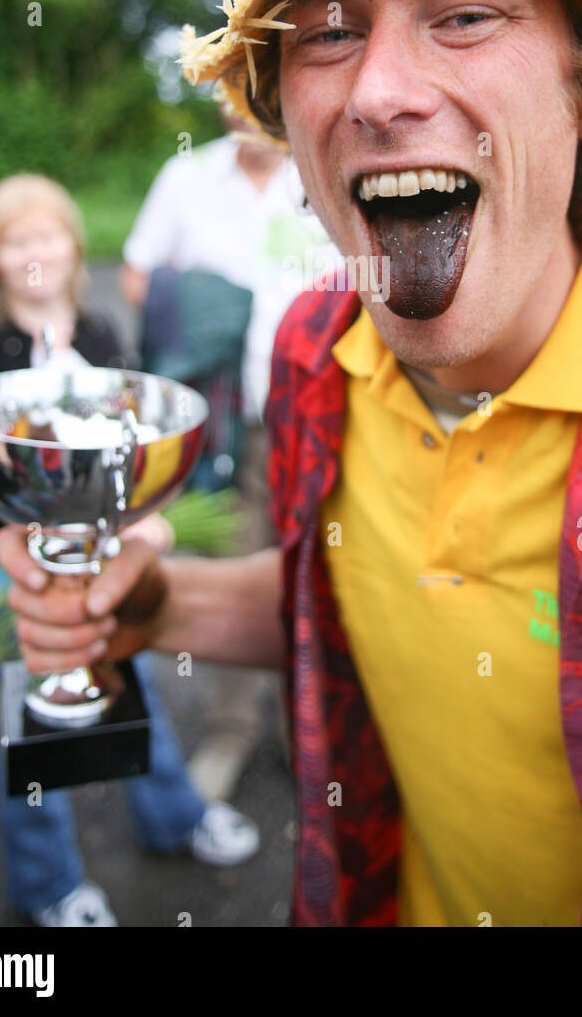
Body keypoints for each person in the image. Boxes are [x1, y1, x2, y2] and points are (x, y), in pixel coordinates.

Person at [0, 0, 582, 928]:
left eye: (462, 15)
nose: (378, 89)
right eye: (323, 33)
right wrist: (156, 603)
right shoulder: (315, 350)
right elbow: (360, 600)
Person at [0, 174, 259, 928]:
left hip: (102, 548)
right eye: (17, 239)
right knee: (35, 712)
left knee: (128, 677)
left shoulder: (99, 331)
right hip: (3, 557)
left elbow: (132, 445)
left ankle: (175, 817)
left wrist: (137, 527)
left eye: (47, 234)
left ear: (73, 247)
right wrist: (23, 549)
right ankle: (48, 883)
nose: (34, 251)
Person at [120, 110, 339, 799]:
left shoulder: (325, 170)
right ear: (222, 100)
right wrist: (206, 305)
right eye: (233, 92)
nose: (248, 109)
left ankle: (304, 733)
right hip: (231, 422)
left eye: (260, 89)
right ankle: (230, 733)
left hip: (322, 413)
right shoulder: (187, 178)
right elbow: (135, 277)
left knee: (320, 568)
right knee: (240, 563)